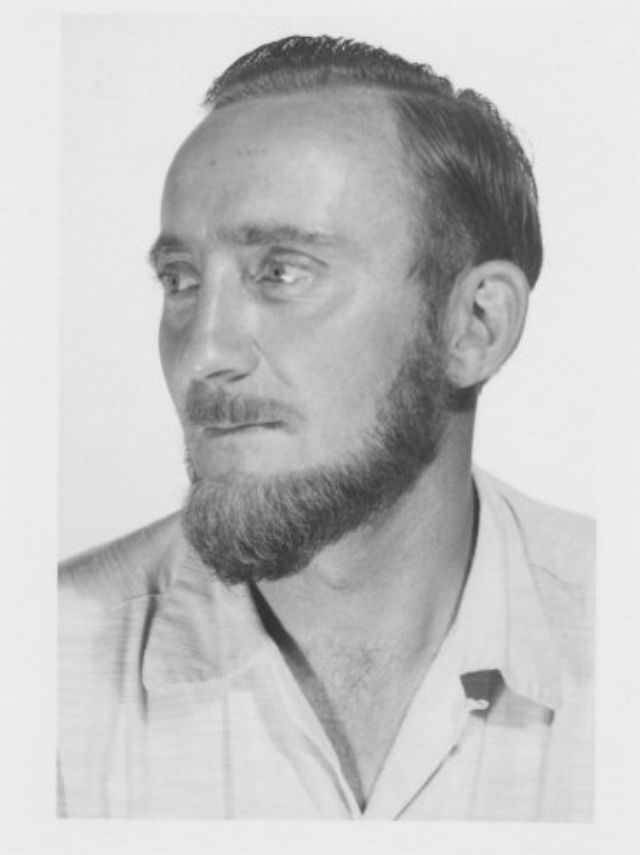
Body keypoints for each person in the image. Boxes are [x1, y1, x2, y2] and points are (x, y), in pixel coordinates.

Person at [58, 34, 594, 820]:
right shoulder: (43, 667)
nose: (202, 352)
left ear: (475, 324)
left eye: (282, 271)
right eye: (180, 279)